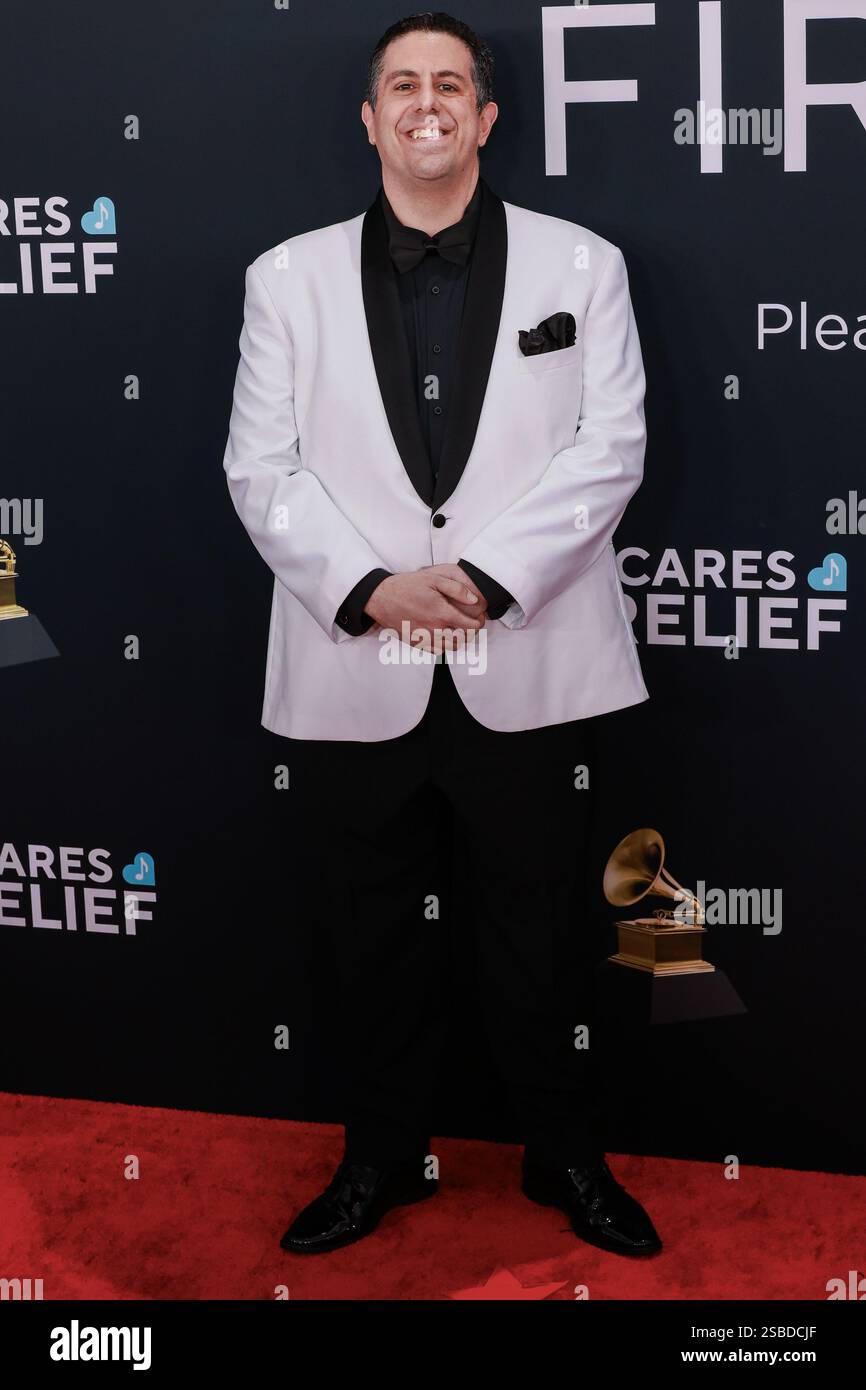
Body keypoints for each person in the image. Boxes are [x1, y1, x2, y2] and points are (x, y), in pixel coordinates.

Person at [223, 10, 661, 1259]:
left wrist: (476, 576)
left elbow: (608, 446)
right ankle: (379, 1162)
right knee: (366, 943)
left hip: (528, 661)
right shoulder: (283, 278)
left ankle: (565, 1160)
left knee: (543, 938)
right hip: (356, 665)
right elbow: (262, 467)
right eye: (401, 86)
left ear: (485, 116)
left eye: (450, 86)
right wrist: (370, 587)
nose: (426, 104)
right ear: (369, 119)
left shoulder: (584, 266)